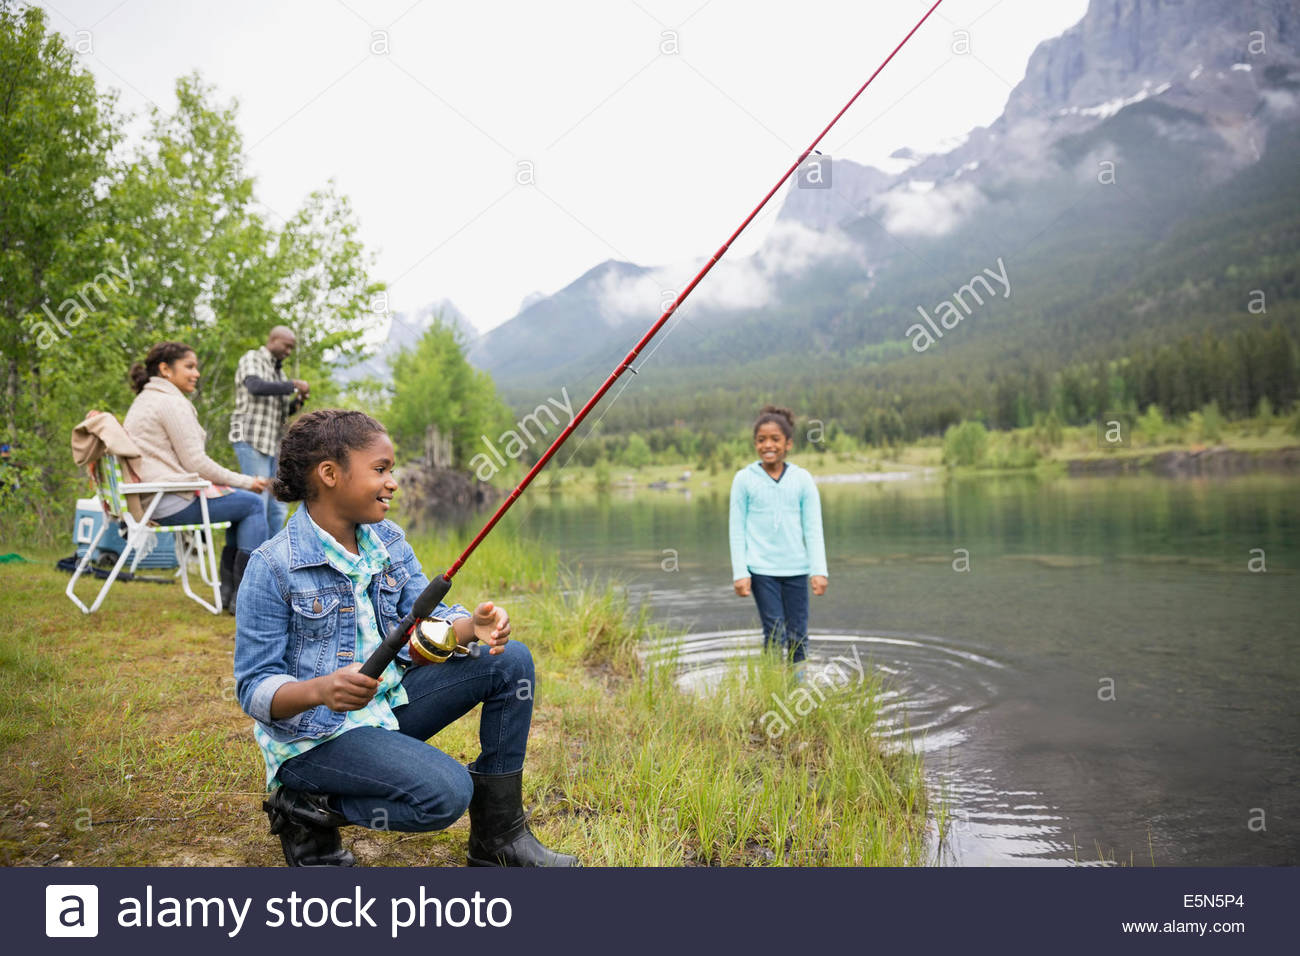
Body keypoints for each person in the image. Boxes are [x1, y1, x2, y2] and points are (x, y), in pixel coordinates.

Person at [233, 409, 579, 868]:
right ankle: (303, 807)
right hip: (314, 740)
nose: (393, 482)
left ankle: (499, 840)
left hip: (385, 707)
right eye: (380, 469)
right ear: (330, 474)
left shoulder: (388, 540)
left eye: (391, 470)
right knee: (446, 794)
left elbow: (425, 618)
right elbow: (253, 687)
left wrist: (469, 627)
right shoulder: (271, 566)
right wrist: (321, 690)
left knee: (510, 660)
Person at [123, 342, 270, 613]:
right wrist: (247, 481)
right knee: (252, 504)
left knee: (240, 506)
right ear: (165, 369)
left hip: (149, 499)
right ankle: (247, 595)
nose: (196, 373)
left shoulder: (145, 399)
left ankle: (231, 594)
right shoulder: (171, 402)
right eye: (189, 367)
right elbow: (197, 463)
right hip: (166, 501)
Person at [729, 405, 828, 664]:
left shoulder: (802, 479)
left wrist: (819, 570)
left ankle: (797, 683)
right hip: (761, 570)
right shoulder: (743, 479)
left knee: (798, 635)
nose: (768, 445)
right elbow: (736, 529)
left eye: (775, 439)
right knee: (774, 632)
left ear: (788, 444)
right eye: (761, 440)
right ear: (755, 444)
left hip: (796, 569)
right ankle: (771, 684)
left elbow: (813, 528)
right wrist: (740, 572)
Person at [229, 326, 309, 533]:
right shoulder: (252, 358)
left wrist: (299, 401)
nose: (288, 352)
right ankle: (252, 550)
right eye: (286, 346)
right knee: (258, 500)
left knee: (278, 504)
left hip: (273, 444)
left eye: (291, 348)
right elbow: (255, 387)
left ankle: (273, 549)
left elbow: (283, 412)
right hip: (250, 438)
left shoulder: (279, 373)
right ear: (273, 340)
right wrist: (292, 384)